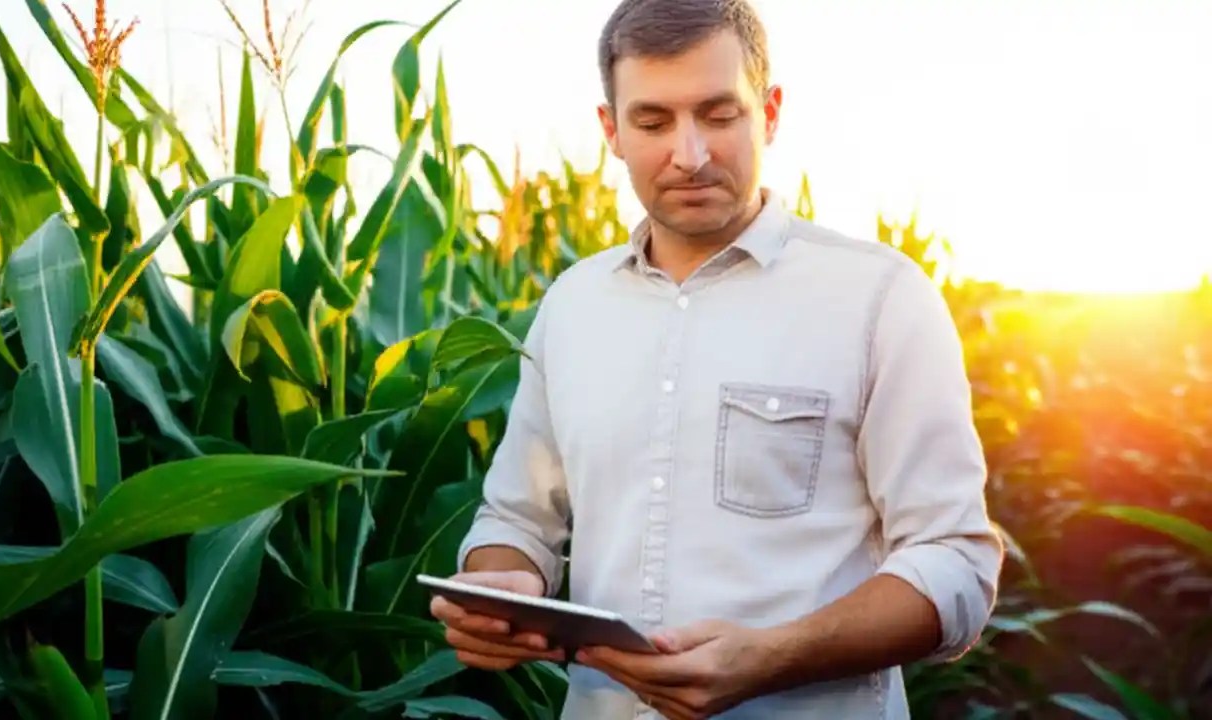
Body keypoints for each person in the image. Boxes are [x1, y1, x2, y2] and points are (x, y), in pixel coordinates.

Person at [428, 0, 1004, 717]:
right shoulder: (572, 306)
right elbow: (516, 522)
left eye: (719, 114)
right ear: (611, 130)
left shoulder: (880, 299)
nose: (690, 154)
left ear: (770, 111)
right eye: (653, 121)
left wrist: (773, 657)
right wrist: (502, 587)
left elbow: (956, 563)